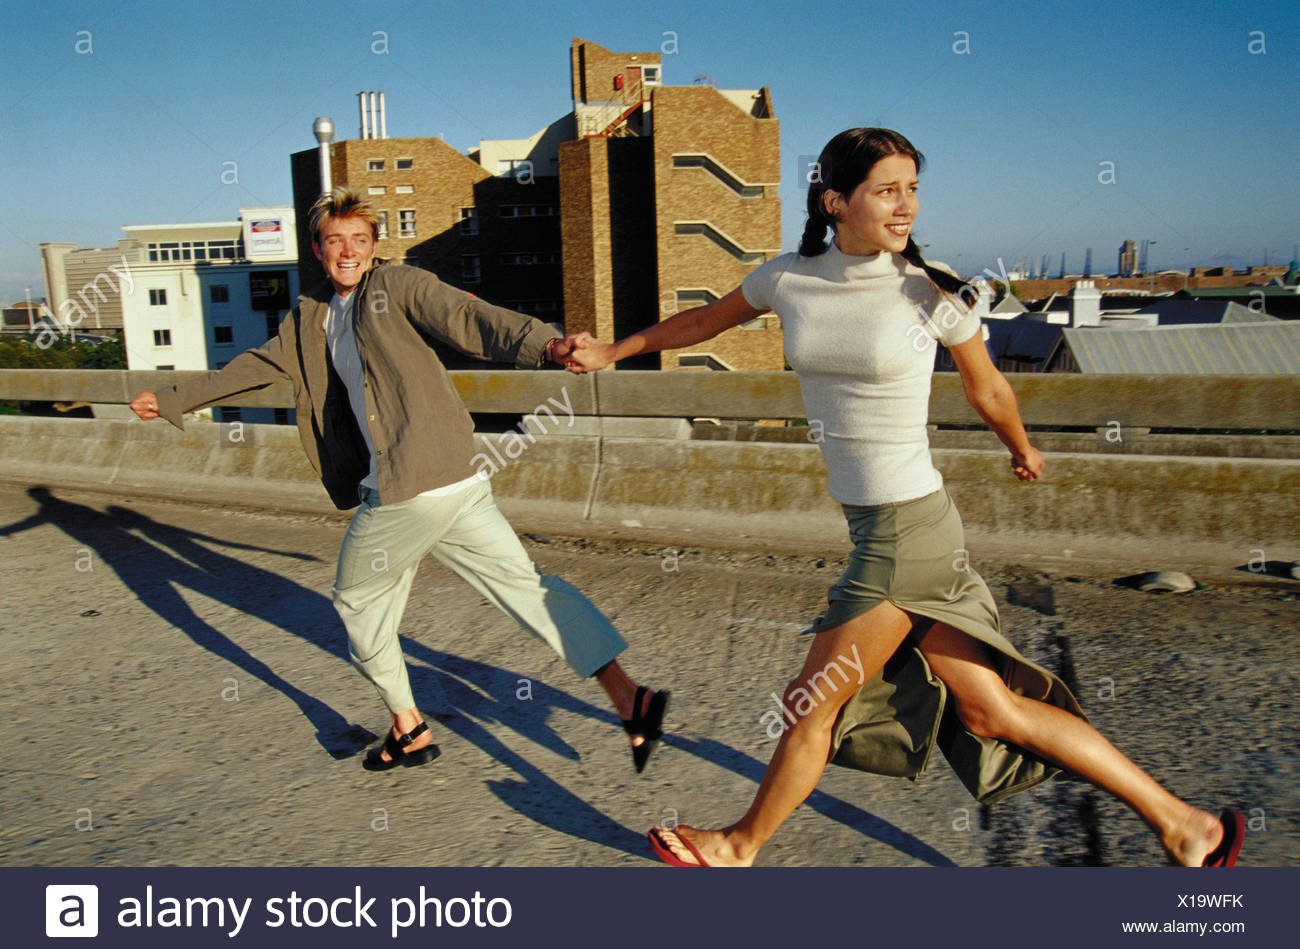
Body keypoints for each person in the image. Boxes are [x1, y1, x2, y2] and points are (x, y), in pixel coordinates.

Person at [562, 128, 1243, 867]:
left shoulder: (927, 287)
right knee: (992, 709)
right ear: (835, 201)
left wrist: (1021, 445)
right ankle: (1184, 825)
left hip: (904, 533)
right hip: (887, 528)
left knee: (811, 700)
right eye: (887, 190)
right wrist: (611, 352)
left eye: (913, 189)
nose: (906, 205)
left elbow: (985, 383)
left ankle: (737, 845)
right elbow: (703, 320)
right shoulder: (789, 278)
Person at [130, 186, 668, 774]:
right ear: (316, 248)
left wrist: (548, 343)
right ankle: (629, 697)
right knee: (526, 586)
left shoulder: (397, 285)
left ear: (375, 245)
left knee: (358, 601)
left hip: (408, 483)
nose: (348, 252)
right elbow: (259, 365)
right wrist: (178, 397)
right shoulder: (311, 314)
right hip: (457, 481)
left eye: (359, 240)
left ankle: (407, 726)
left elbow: (468, 317)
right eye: (335, 241)